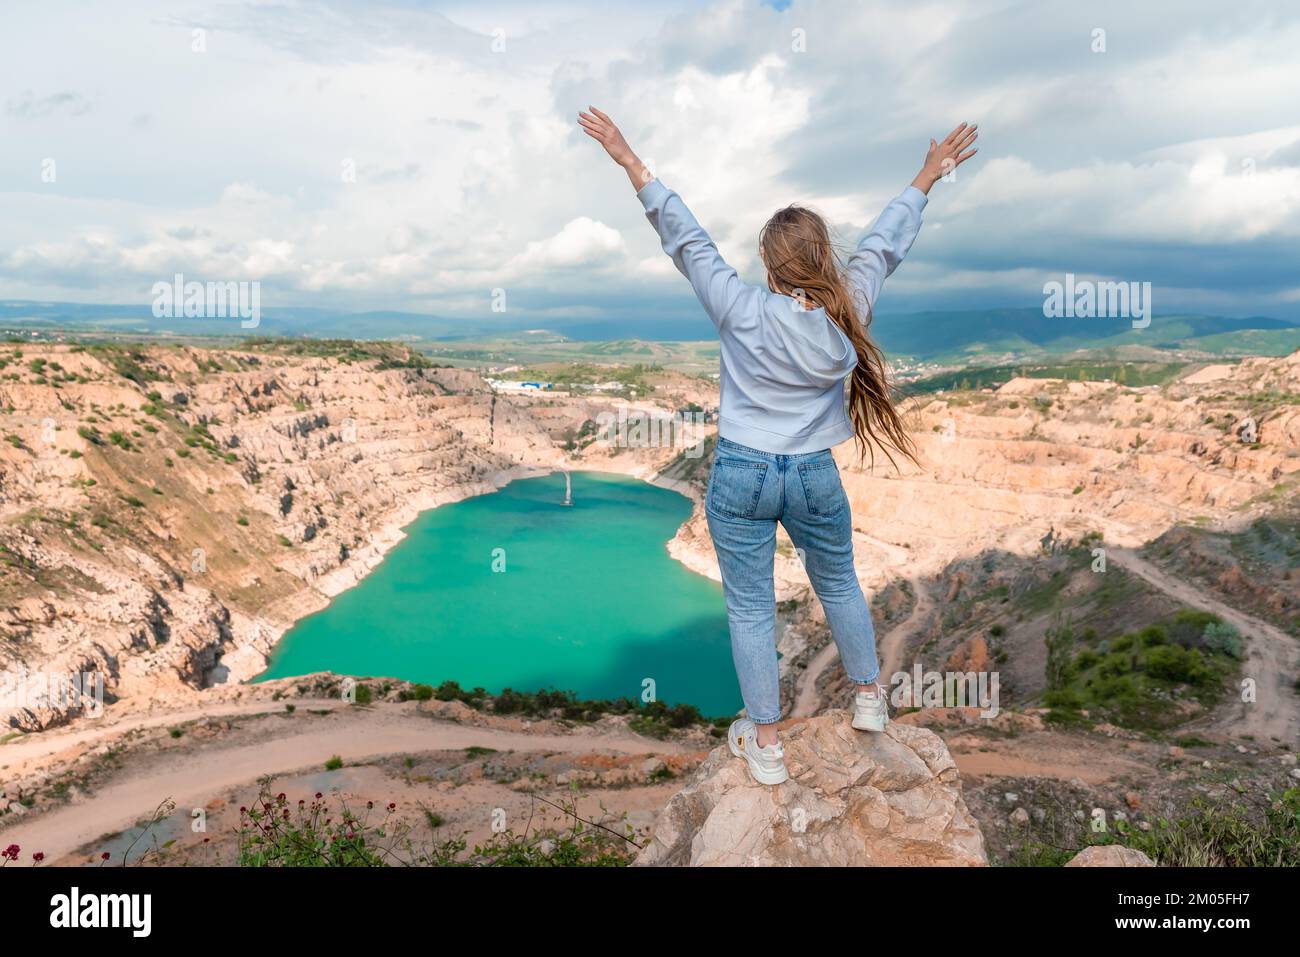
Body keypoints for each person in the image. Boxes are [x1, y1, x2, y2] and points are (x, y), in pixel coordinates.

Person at [579, 107, 978, 785]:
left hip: (742, 472)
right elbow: (885, 243)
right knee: (840, 583)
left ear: (768, 263)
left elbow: (685, 237)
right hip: (813, 473)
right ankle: (869, 697)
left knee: (750, 608)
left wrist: (629, 160)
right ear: (823, 257)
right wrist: (927, 175)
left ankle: (764, 742)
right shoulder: (849, 308)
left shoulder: (738, 306)